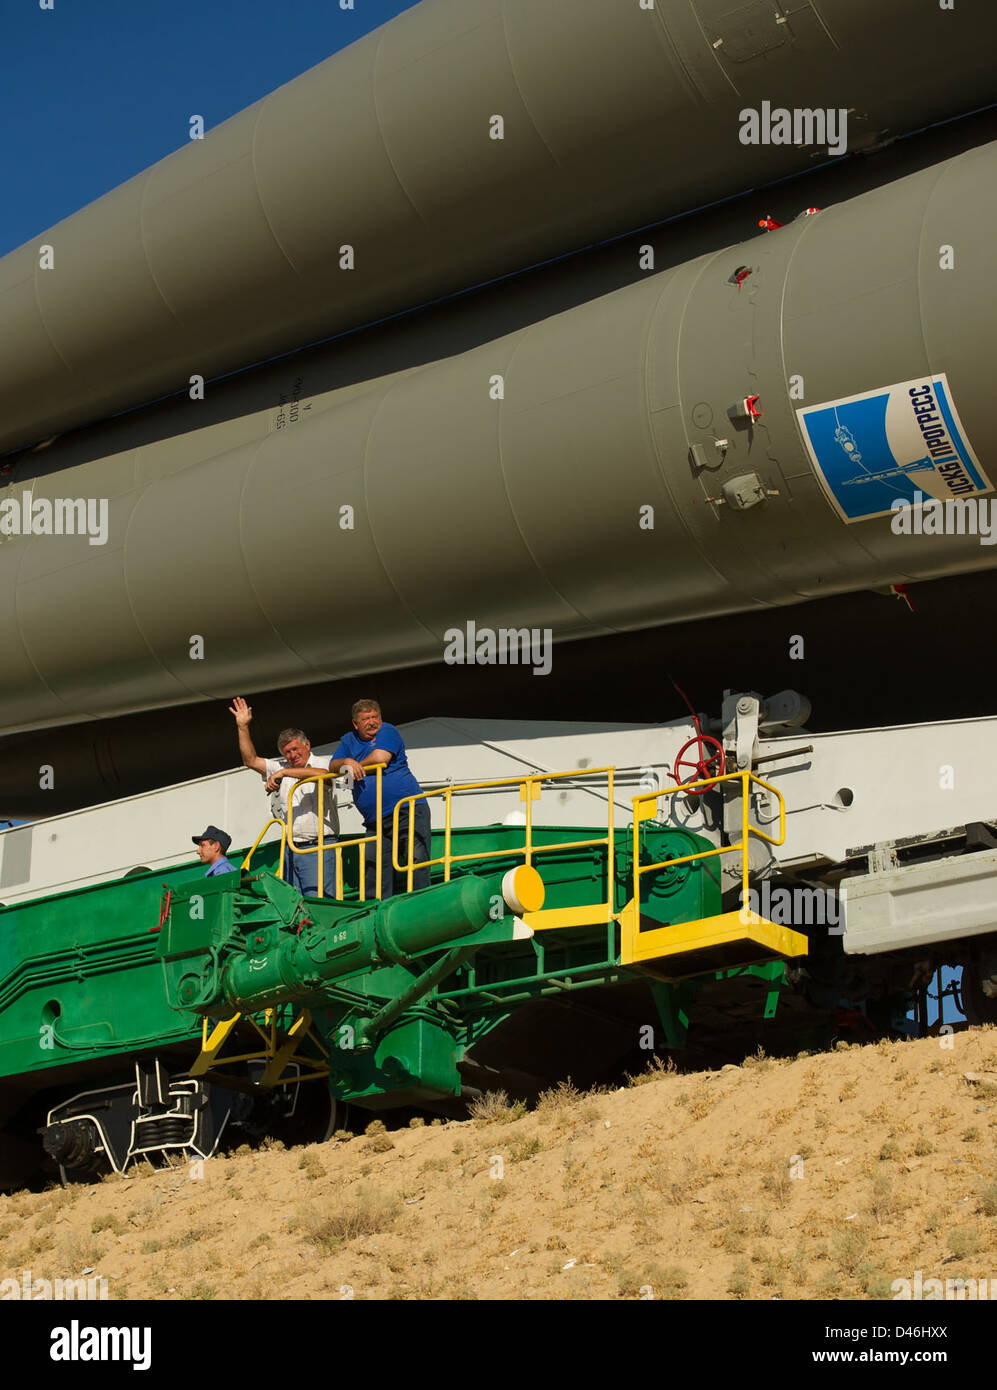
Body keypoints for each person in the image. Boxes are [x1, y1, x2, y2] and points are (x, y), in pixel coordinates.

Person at [229, 697, 339, 896]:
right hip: (290, 848)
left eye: (295, 749)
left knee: (318, 902)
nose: (292, 755)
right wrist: (243, 727)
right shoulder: (281, 767)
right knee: (294, 904)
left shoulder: (323, 763)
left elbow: (323, 776)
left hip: (318, 846)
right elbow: (250, 760)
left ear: (307, 745)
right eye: (287, 752)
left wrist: (284, 774)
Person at [328, 699, 431, 899]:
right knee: (374, 866)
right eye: (366, 719)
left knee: (416, 858)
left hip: (406, 809)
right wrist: (347, 762)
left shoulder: (388, 731)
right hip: (375, 820)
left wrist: (354, 765)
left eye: (375, 717)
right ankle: (378, 910)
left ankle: (421, 903)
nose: (372, 722)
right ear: (355, 724)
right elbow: (333, 767)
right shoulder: (348, 740)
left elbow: (380, 758)